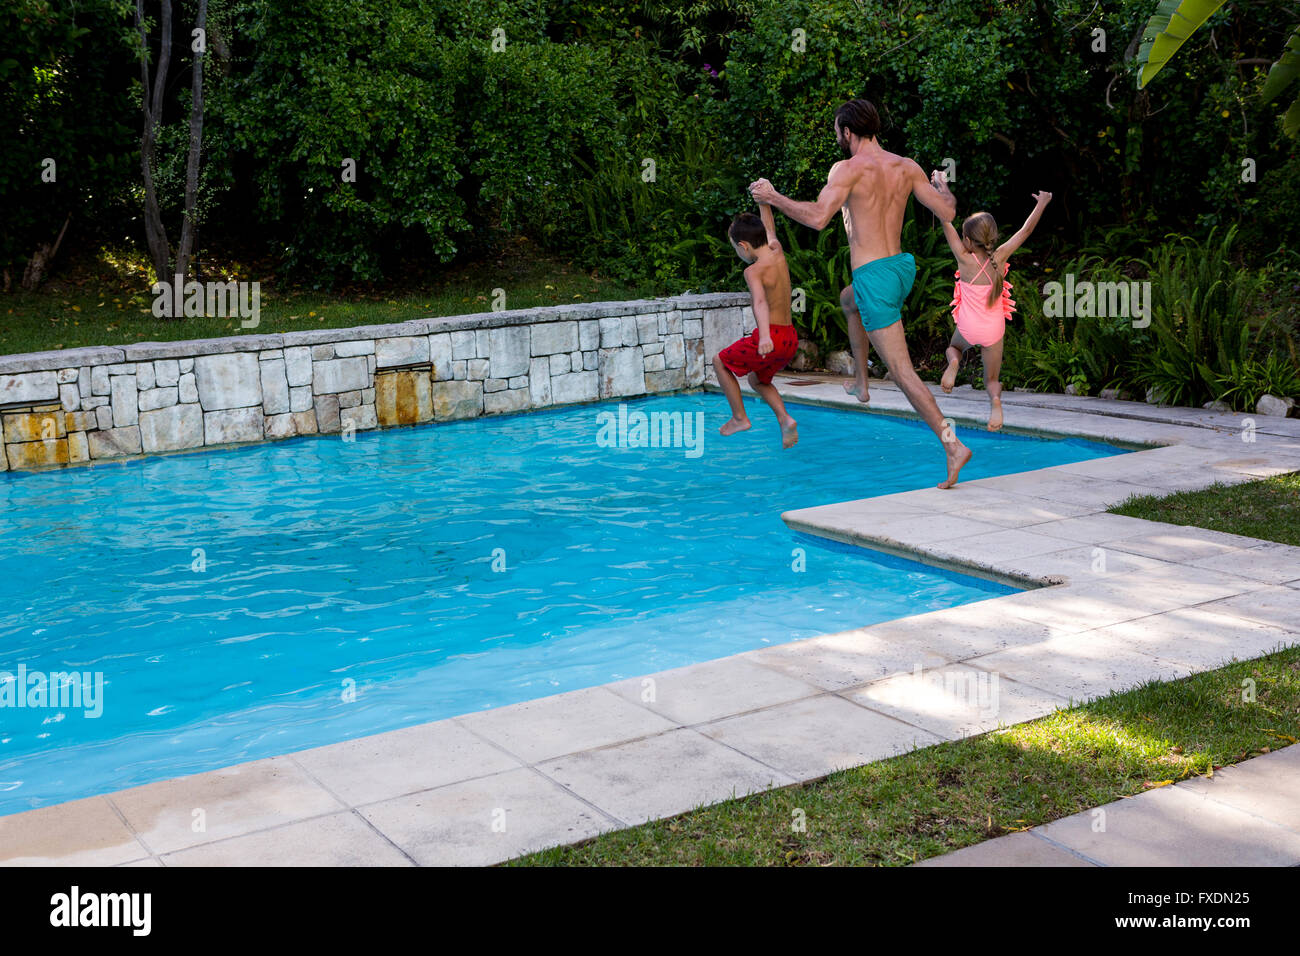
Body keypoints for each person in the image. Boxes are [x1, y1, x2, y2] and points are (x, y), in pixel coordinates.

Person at [749, 98, 972, 488]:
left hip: (874, 276)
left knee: (903, 374)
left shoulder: (847, 170)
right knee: (847, 299)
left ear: (848, 132)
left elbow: (818, 218)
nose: (838, 137)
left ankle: (951, 444)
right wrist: (943, 188)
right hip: (901, 269)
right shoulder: (907, 166)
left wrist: (773, 198)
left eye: (838, 132)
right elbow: (949, 212)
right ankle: (862, 383)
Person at [939, 192, 1053, 431]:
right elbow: (1026, 231)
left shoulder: (964, 259)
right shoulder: (1000, 257)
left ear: (968, 241)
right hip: (994, 330)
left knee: (954, 348)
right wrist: (1042, 203)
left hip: (968, 326)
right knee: (991, 379)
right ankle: (996, 403)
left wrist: (940, 188)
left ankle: (954, 364)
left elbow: (944, 220)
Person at [715, 205, 800, 448]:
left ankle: (739, 418)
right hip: (789, 338)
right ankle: (785, 420)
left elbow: (760, 302)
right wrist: (763, 202)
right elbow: (769, 228)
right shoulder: (777, 251)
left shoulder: (753, 271)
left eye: (735, 249)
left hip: (771, 335)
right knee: (757, 380)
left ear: (743, 246)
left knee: (719, 362)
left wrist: (764, 336)